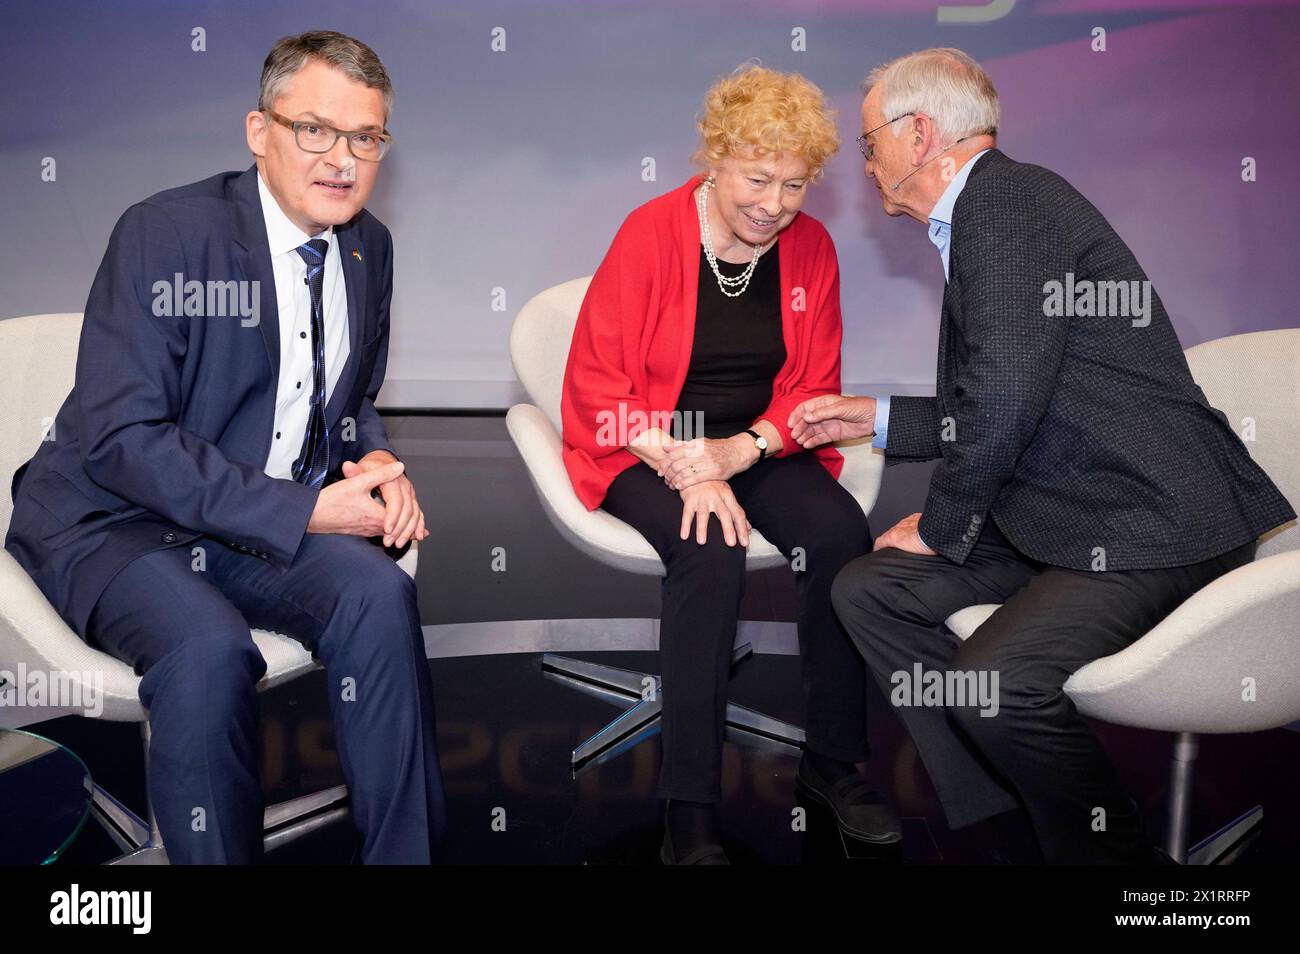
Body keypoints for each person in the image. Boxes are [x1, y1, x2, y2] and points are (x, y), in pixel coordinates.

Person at [790, 47, 1296, 864]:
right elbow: (1005, 397)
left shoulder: (1008, 208)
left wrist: (943, 522)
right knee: (872, 591)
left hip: (1152, 520)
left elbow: (1008, 398)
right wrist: (875, 418)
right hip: (1067, 507)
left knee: (998, 682)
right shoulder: (990, 212)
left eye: (869, 139)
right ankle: (1018, 809)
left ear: (919, 134)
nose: (867, 158)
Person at [4, 30, 445, 863]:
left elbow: (350, 404)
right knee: (208, 648)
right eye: (315, 129)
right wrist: (304, 508)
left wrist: (373, 458)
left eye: (366, 137)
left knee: (378, 595)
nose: (342, 159)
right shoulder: (166, 235)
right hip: (114, 520)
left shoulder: (366, 248)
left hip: (246, 521)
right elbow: (122, 439)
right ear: (258, 131)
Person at [561, 64, 898, 865]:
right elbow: (595, 391)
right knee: (709, 546)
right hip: (643, 439)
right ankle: (690, 806)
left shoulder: (809, 248)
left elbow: (813, 389)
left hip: (751, 440)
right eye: (756, 178)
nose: (774, 204)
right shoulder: (648, 234)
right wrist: (691, 466)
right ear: (712, 162)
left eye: (793, 185)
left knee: (841, 534)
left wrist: (741, 450)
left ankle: (830, 764)